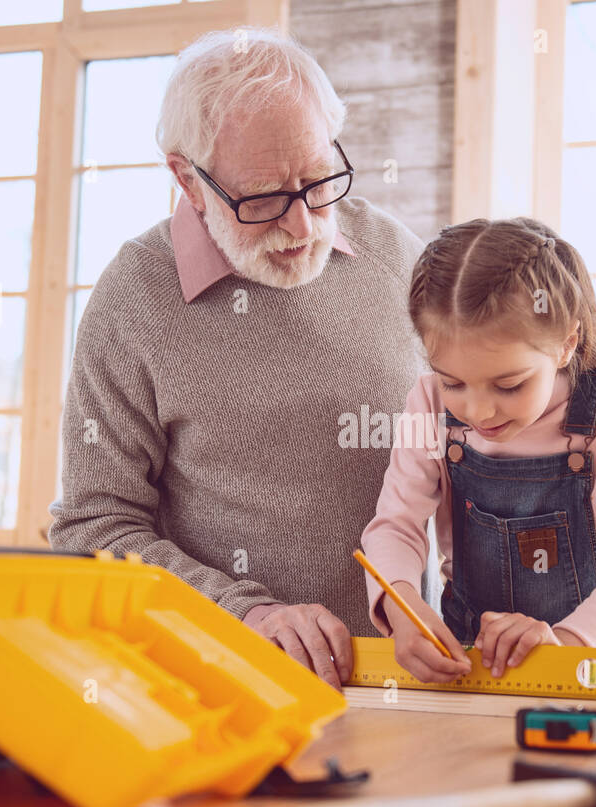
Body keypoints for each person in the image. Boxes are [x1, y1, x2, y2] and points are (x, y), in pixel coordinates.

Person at [49, 28, 428, 690]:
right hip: (215, 682)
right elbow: (91, 526)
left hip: (405, 684)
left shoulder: (399, 259)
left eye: (318, 181)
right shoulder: (132, 300)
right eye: (263, 199)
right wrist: (243, 610)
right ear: (188, 180)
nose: (303, 225)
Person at [359, 217, 596, 683]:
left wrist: (566, 646)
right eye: (453, 382)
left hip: (592, 660)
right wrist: (402, 607)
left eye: (509, 384)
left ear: (566, 344)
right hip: (469, 653)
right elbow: (395, 524)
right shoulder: (428, 404)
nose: (479, 410)